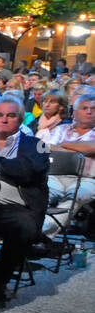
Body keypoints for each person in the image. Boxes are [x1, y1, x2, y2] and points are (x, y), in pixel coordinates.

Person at [0, 96, 49, 305]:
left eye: (11, 115)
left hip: (15, 207)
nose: (4, 120)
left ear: (21, 119)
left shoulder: (37, 144)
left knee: (22, 227)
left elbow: (26, 170)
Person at [39, 93, 95, 240]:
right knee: (41, 193)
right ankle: (30, 230)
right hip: (55, 176)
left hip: (87, 179)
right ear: (74, 113)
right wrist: (80, 151)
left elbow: (93, 148)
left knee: (76, 196)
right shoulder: (61, 129)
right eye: (85, 108)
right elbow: (48, 148)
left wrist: (63, 145)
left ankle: (41, 233)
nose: (89, 112)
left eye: (93, 109)